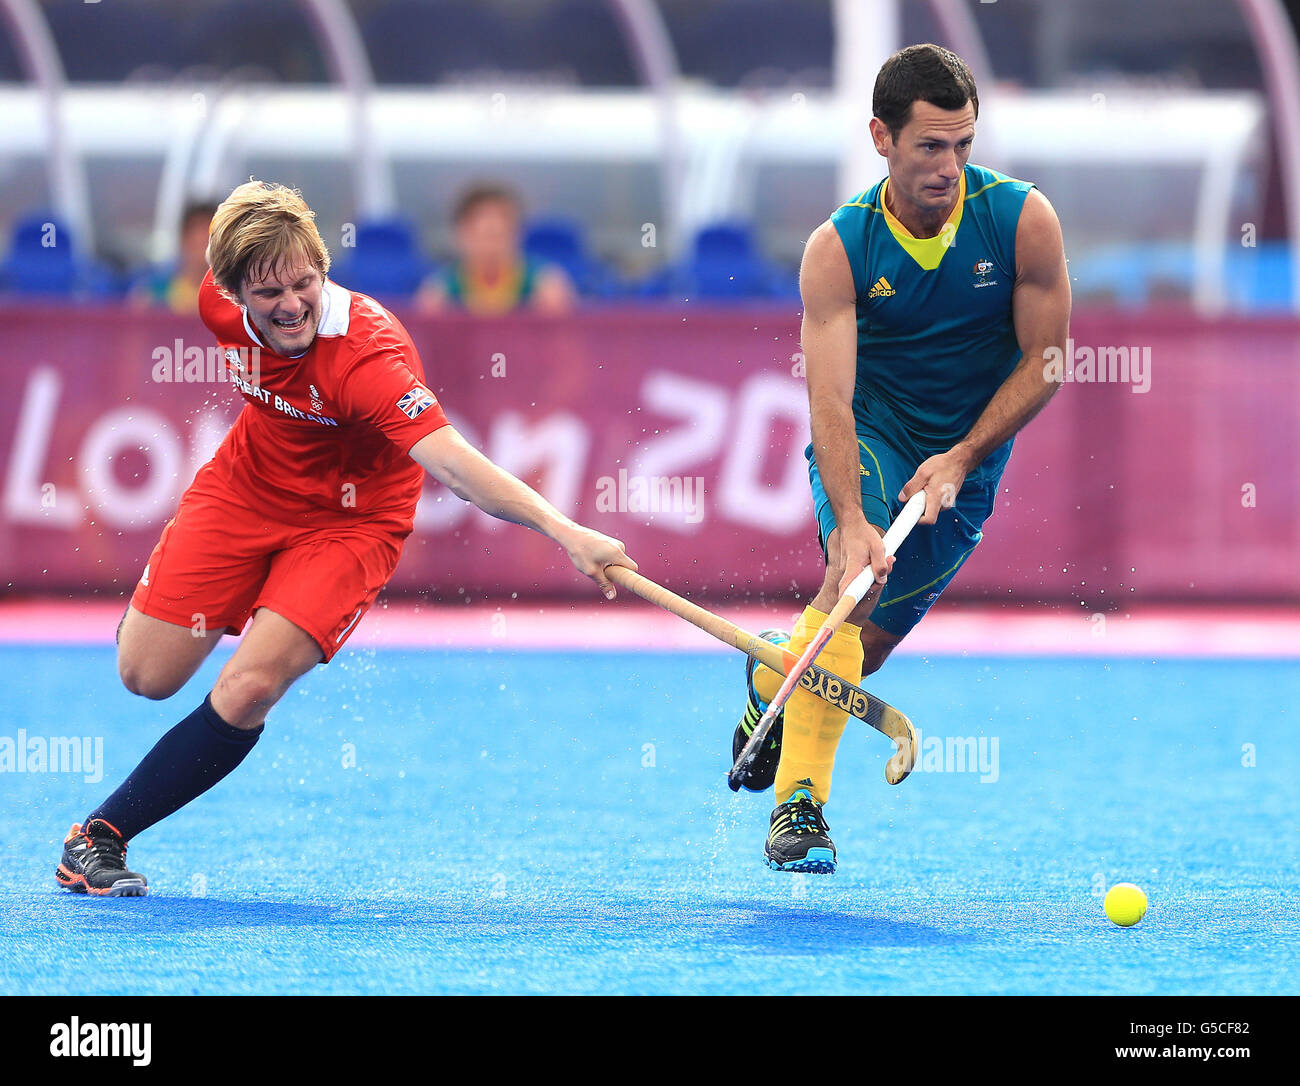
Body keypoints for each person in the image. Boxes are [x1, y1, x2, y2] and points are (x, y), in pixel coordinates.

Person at [55, 180, 634, 896]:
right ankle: (169, 608)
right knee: (146, 676)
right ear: (232, 292)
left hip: (351, 525)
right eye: (269, 293)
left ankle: (99, 836)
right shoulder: (213, 303)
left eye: (305, 282)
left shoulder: (366, 358)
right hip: (245, 487)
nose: (292, 304)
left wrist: (565, 531)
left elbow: (455, 464)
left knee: (250, 686)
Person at [733, 44, 1071, 873]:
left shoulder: (1022, 221)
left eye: (963, 145)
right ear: (881, 137)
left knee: (862, 653)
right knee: (851, 587)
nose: (950, 166)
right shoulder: (839, 249)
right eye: (929, 146)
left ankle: (768, 680)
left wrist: (960, 456)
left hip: (971, 454)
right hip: (874, 433)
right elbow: (831, 399)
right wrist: (851, 519)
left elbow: (1047, 363)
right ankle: (798, 812)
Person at [415, 183, 574, 315]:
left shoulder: (546, 284)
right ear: (462, 235)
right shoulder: (439, 291)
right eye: (484, 235)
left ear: (516, 233)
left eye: (499, 235)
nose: (491, 247)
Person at [130, 201, 218, 314]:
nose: (203, 252)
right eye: (198, 244)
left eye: (209, 242)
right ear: (184, 240)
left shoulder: (234, 297)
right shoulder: (156, 292)